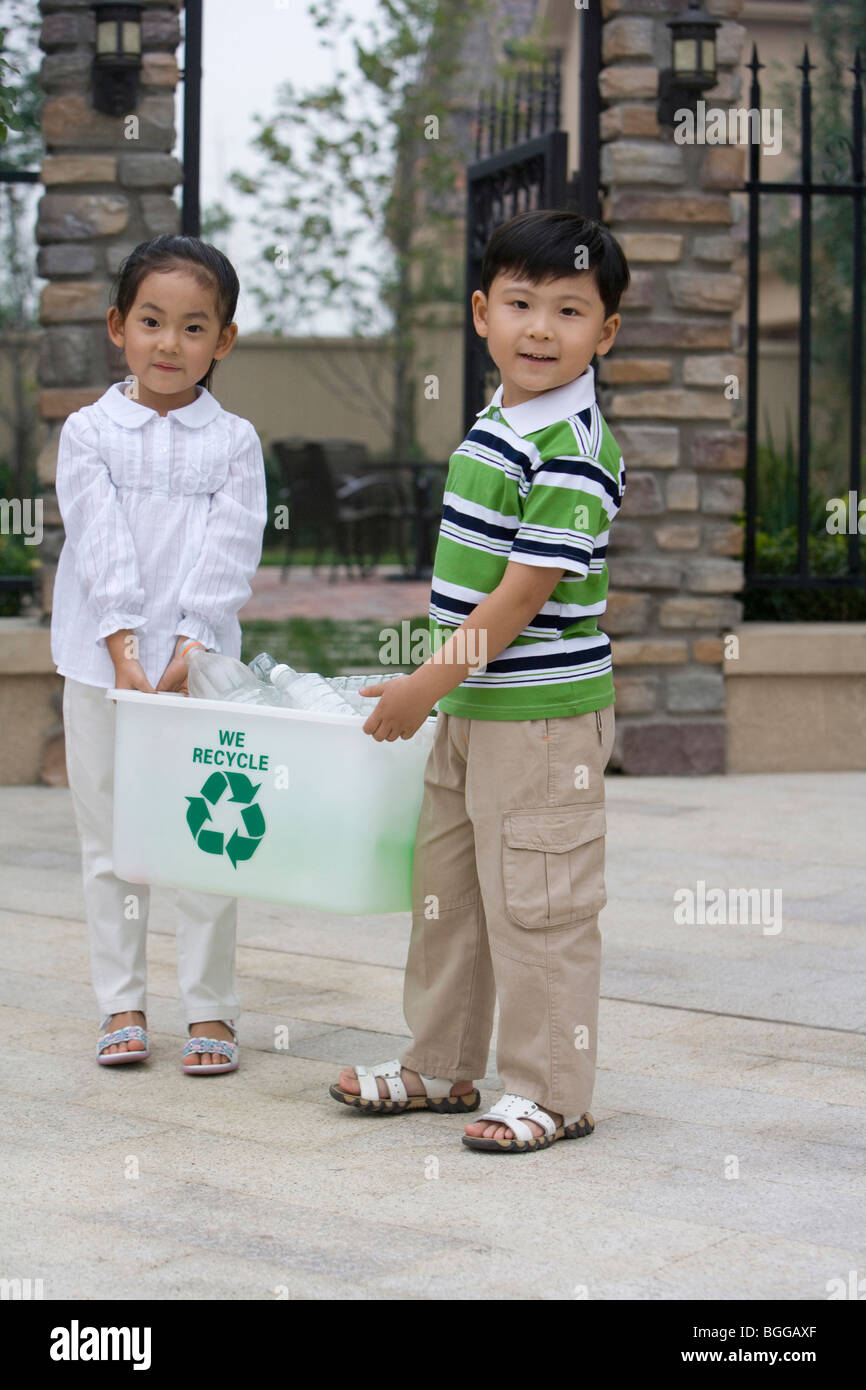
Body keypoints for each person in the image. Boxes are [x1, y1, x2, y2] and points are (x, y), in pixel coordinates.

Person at [330, 208, 629, 1152]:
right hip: (475, 705)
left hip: (538, 720)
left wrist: (421, 683)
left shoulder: (573, 447)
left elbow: (521, 597)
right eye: (521, 303)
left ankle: (552, 1090)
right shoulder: (503, 419)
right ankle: (443, 1064)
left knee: (540, 906)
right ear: (481, 314)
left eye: (570, 310)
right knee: (447, 894)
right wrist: (443, 692)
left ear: (606, 333)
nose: (541, 328)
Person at [51, 234, 267, 1074]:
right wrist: (120, 644)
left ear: (224, 340)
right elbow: (98, 540)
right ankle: (122, 1003)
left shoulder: (234, 443)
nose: (169, 345)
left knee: (215, 834)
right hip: (95, 665)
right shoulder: (88, 432)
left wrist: (191, 645)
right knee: (108, 839)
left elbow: (231, 548)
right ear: (118, 326)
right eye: (151, 322)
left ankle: (211, 1011)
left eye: (192, 327)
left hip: (199, 672)